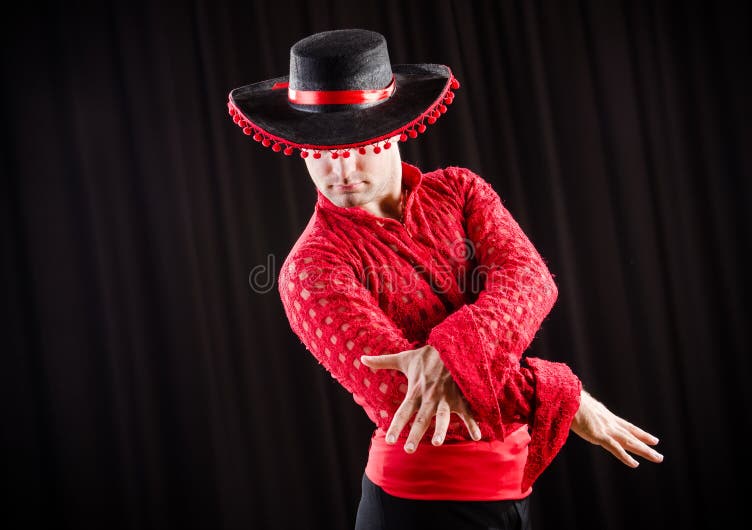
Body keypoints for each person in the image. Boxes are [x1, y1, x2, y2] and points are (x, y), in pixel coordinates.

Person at [227, 28, 663, 530]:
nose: (339, 169)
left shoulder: (459, 190)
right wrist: (562, 395)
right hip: (419, 505)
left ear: (392, 129)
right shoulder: (310, 270)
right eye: (318, 148)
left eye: (357, 143)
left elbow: (530, 280)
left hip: (512, 487)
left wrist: (445, 353)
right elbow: (409, 399)